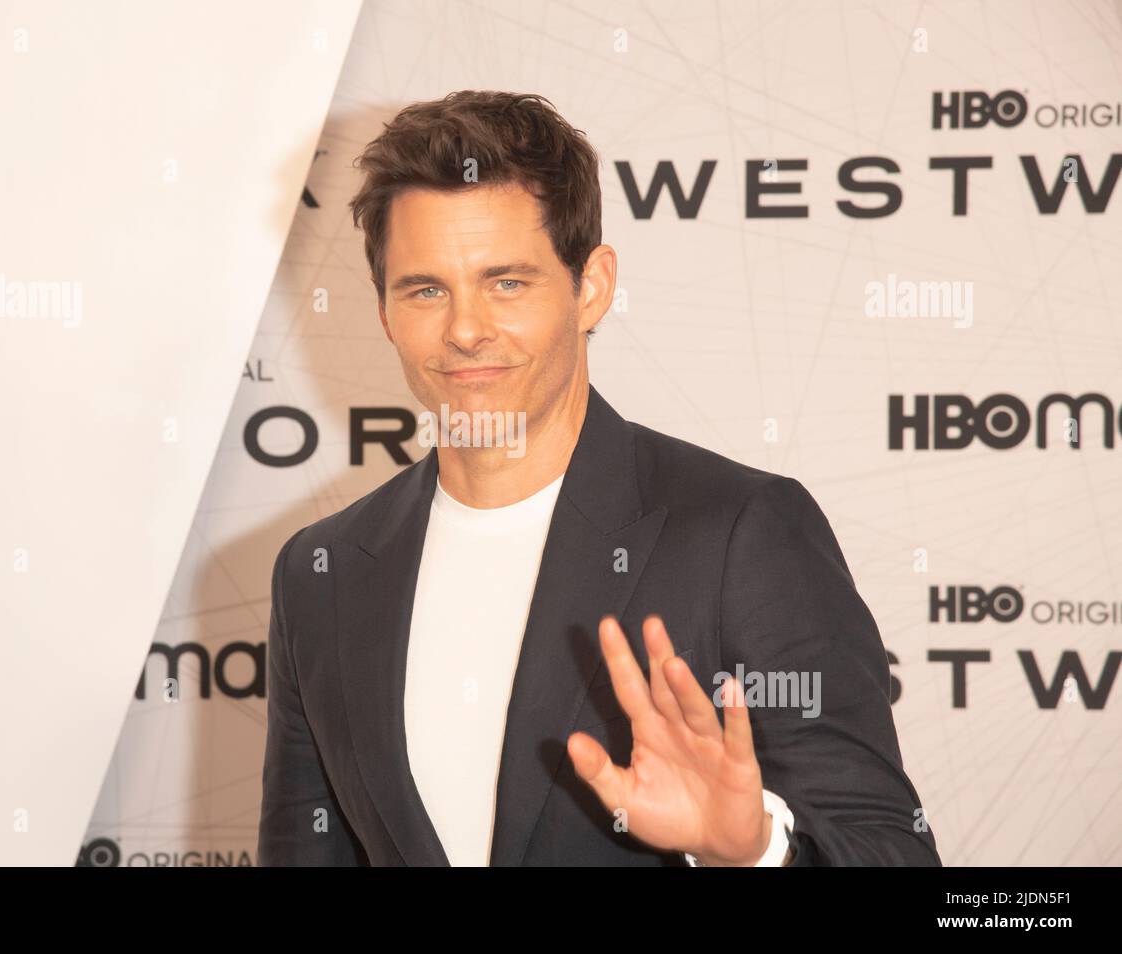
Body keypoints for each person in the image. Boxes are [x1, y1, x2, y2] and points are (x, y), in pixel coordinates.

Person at [257, 90, 941, 866]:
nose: (466, 329)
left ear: (592, 287)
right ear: (384, 311)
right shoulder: (322, 573)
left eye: (506, 282)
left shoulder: (740, 534)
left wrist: (755, 853)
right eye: (425, 290)